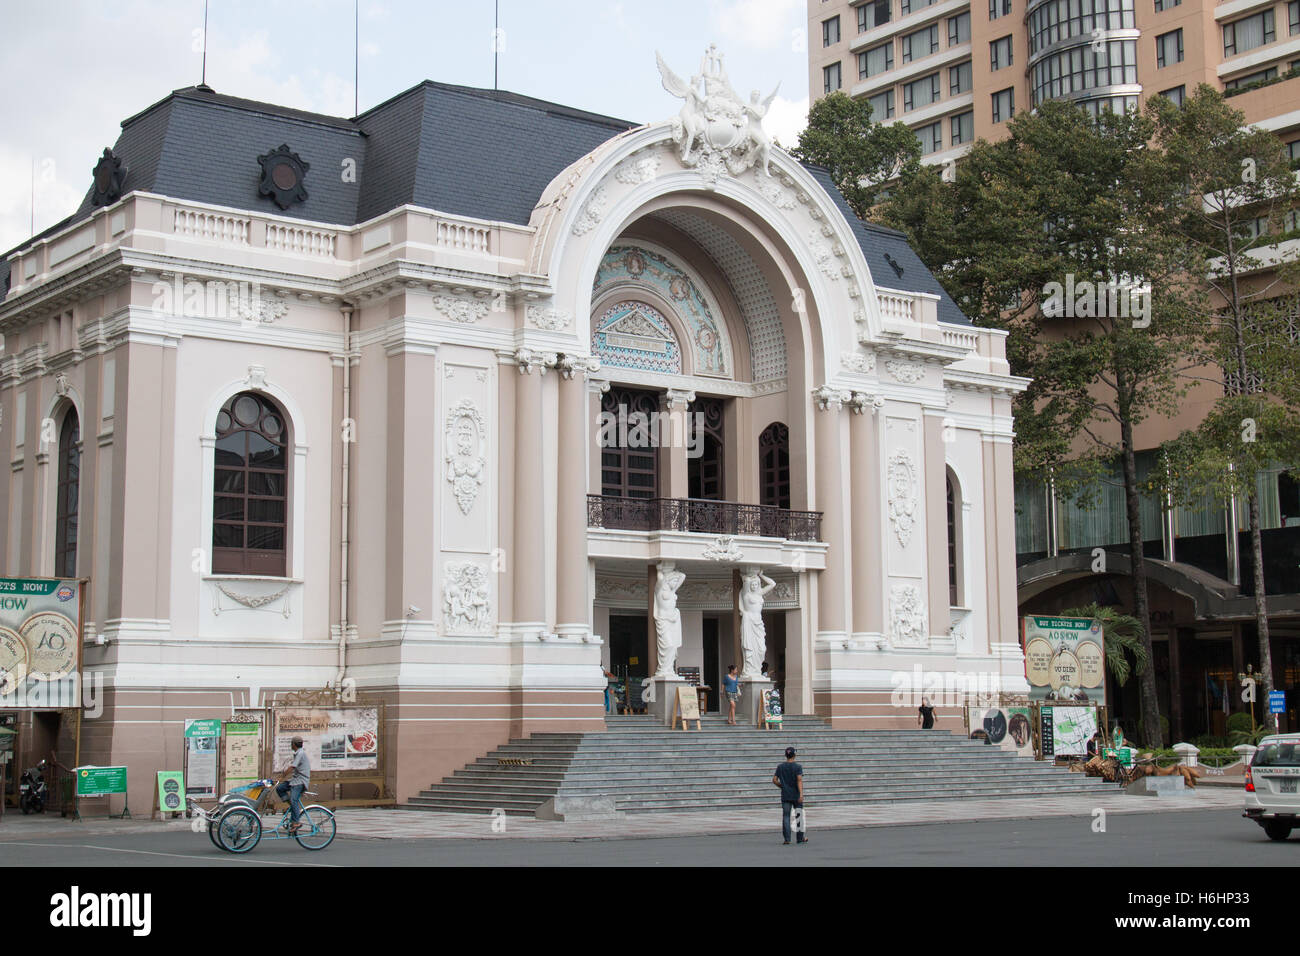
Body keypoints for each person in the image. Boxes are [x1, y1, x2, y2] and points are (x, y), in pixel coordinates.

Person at [275, 735, 311, 833]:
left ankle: (296, 822)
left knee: (294, 799)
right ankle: (292, 807)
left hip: (300, 781)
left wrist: (282, 776)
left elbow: (292, 767)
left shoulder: (300, 753)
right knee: (280, 788)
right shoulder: (297, 753)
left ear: (293, 744)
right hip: (294, 780)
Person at [772, 746, 806, 845]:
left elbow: (774, 780)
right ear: (794, 755)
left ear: (785, 755)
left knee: (786, 816)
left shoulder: (780, 767)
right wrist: (801, 794)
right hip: (796, 794)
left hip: (785, 795)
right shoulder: (798, 767)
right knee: (799, 815)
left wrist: (782, 786)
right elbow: (799, 780)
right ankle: (800, 838)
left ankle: (787, 839)